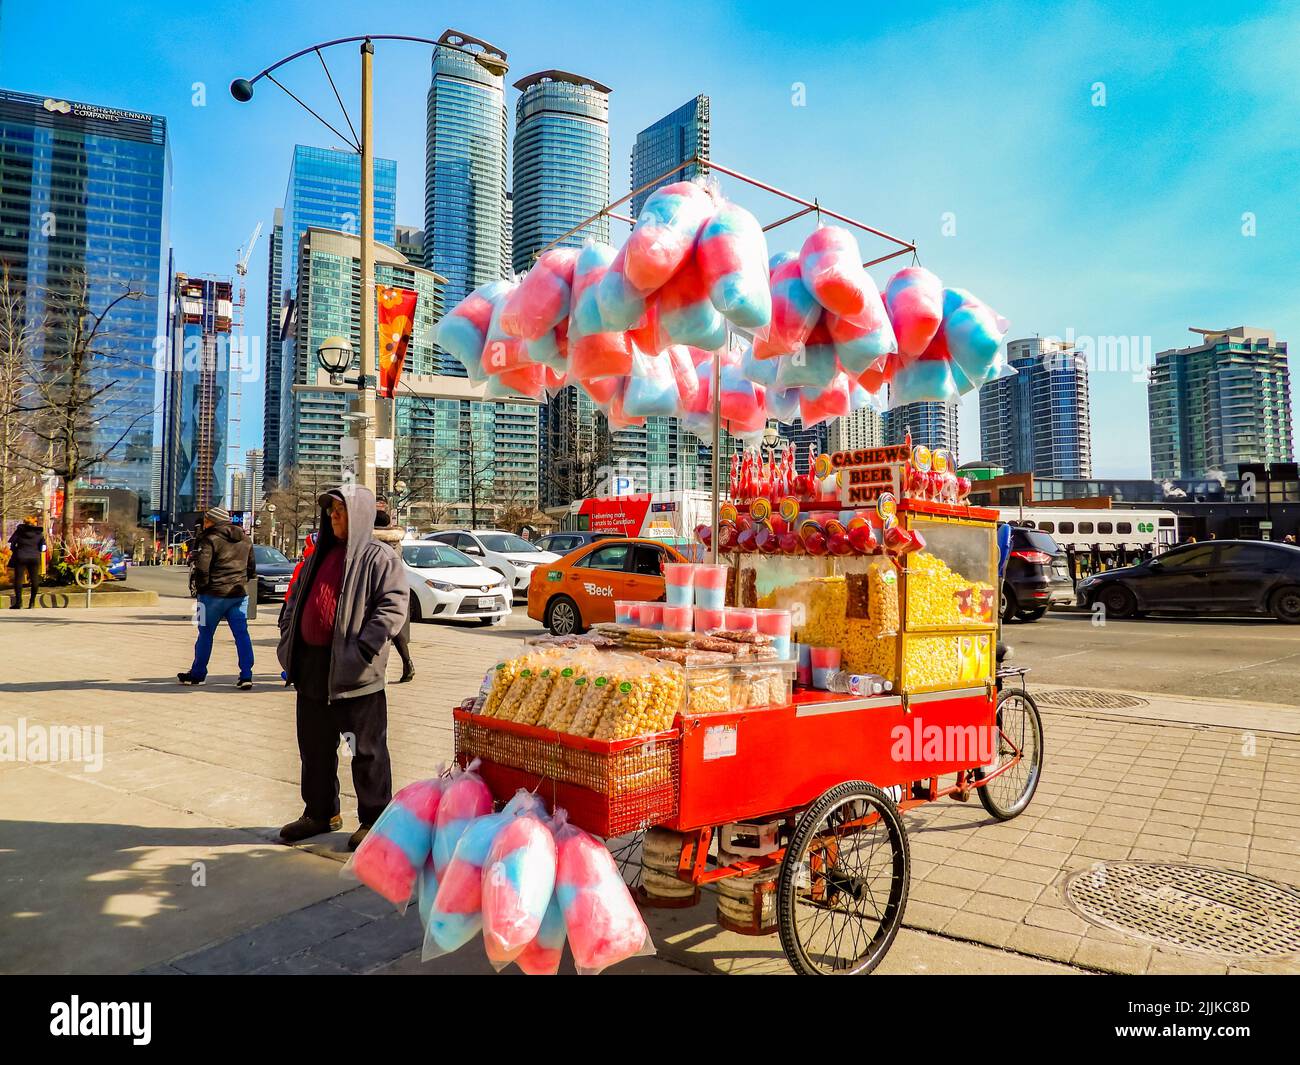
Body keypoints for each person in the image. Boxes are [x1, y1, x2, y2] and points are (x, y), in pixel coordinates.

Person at [277, 484, 408, 850]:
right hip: (312, 669)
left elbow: (393, 607)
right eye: (331, 510)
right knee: (314, 749)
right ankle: (320, 813)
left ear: (361, 514)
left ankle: (374, 818)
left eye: (341, 509)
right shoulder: (318, 557)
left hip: (355, 674)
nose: (333, 515)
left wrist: (365, 649)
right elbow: (294, 601)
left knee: (365, 751)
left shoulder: (379, 558)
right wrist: (288, 636)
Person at [178, 507, 256, 689]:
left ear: (212, 521)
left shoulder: (209, 538)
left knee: (205, 634)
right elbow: (251, 568)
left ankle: (198, 674)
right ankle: (246, 675)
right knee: (242, 635)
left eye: (206, 520)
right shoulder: (245, 539)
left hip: (211, 596)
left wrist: (202, 589)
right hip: (238, 595)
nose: (204, 523)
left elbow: (202, 568)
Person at [373, 509, 415, 683]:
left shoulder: (375, 543)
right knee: (394, 629)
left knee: (377, 628)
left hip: (377, 589)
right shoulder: (396, 541)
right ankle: (407, 662)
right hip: (397, 586)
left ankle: (378, 671)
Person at [7, 514, 46, 609]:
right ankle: (32, 603)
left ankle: (19, 603)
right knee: (34, 579)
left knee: (18, 579)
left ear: (25, 522)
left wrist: (17, 550)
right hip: (34, 557)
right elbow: (43, 548)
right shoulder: (39, 533)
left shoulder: (19, 532)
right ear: (34, 523)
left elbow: (12, 545)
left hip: (21, 556)